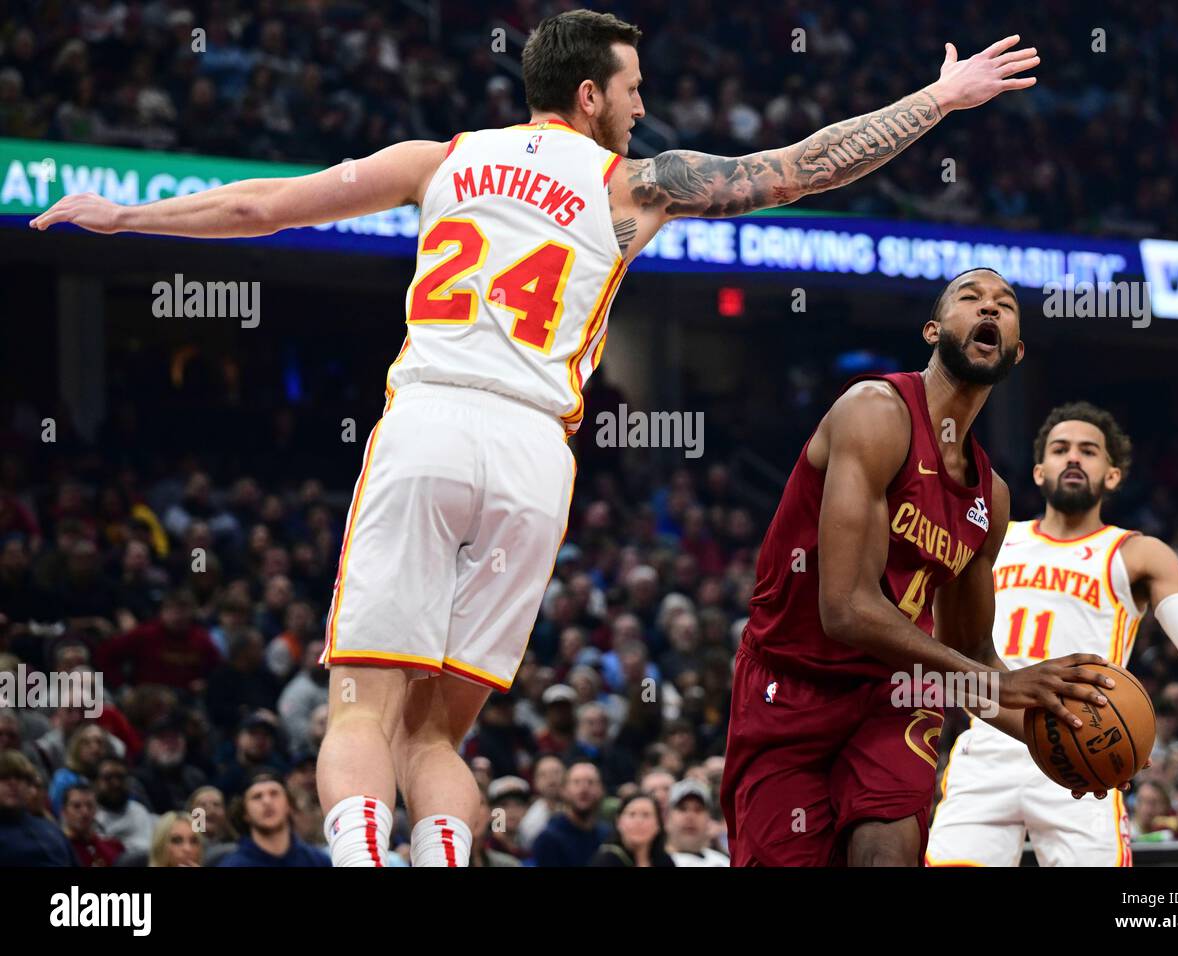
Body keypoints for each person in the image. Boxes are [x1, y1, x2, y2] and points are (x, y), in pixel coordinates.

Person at [32, 7, 1042, 868]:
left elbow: (260, 206)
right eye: (634, 89)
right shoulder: (633, 186)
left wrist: (125, 217)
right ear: (593, 97)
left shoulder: (439, 160)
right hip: (531, 457)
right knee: (437, 731)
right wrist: (936, 101)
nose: (644, 107)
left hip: (430, 418)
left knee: (359, 716)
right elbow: (805, 164)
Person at [720, 269, 1118, 868]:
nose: (990, 308)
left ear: (1017, 349)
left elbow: (973, 659)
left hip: (897, 689)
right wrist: (996, 683)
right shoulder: (874, 412)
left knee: (889, 853)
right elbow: (846, 610)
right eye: (971, 298)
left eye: (1005, 306)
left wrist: (1058, 743)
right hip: (791, 685)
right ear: (933, 330)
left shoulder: (993, 498)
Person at [927, 403, 1178, 866]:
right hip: (990, 743)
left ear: (1114, 475)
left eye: (1089, 450)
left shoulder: (1139, 553)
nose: (1075, 458)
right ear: (1040, 472)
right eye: (1060, 450)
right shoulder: (993, 540)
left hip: (1088, 752)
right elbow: (950, 646)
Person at [217, 772, 331, 867]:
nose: (267, 801)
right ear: (245, 813)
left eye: (274, 794)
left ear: (289, 805)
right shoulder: (232, 865)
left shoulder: (318, 861)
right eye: (257, 796)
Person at [0, 751, 77, 866]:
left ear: (29, 787)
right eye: (4, 777)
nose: (13, 783)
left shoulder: (50, 828)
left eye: (20, 778)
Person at [532, 761, 611, 867]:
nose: (584, 789)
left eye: (591, 782)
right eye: (576, 782)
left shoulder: (608, 836)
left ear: (602, 790)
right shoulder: (548, 839)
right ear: (563, 790)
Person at [589, 791, 674, 866]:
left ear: (658, 824)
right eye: (632, 814)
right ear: (619, 822)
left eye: (646, 815)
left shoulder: (665, 861)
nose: (638, 821)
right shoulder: (606, 860)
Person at [93, 755, 156, 855]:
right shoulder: (90, 817)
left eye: (120, 777)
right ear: (95, 782)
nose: (116, 783)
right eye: (108, 778)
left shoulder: (138, 810)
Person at [664, 779, 728, 866]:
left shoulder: (723, 862)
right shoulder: (651, 862)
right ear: (667, 818)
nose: (690, 816)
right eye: (682, 809)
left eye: (698, 809)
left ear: (709, 819)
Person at [62, 783, 125, 867]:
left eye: (90, 806)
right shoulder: (57, 852)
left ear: (96, 810)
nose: (85, 812)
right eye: (77, 806)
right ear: (64, 812)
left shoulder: (115, 847)